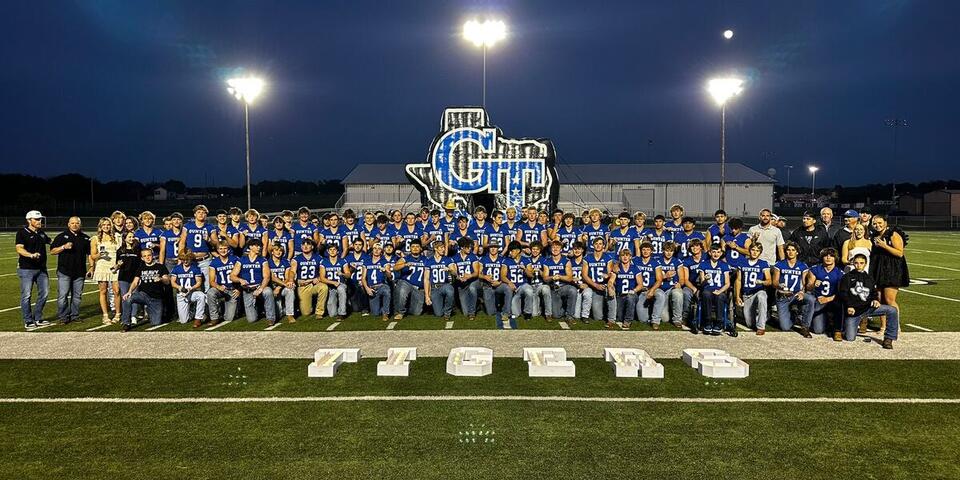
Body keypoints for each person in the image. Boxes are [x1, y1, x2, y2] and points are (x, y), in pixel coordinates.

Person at [838, 254, 899, 349]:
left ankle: (889, 338)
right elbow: (843, 294)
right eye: (856, 263)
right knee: (850, 338)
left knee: (892, 310)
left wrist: (875, 300)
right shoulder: (847, 277)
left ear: (865, 264)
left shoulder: (870, 278)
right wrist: (849, 306)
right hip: (854, 311)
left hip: (867, 309)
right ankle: (846, 327)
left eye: (861, 263)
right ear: (853, 263)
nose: (859, 265)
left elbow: (874, 293)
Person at [50, 216, 90, 325]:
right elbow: (52, 251)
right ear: (68, 224)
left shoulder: (85, 238)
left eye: (77, 223)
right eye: (72, 223)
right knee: (63, 296)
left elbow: (90, 254)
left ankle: (74, 315)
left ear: (80, 224)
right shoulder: (61, 236)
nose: (75, 225)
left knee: (77, 296)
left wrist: (92, 267)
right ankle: (63, 316)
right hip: (64, 271)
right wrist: (63, 247)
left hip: (80, 272)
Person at [120, 248, 170, 332]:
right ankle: (126, 323)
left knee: (156, 323)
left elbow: (167, 281)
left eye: (149, 255)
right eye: (145, 256)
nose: (147, 257)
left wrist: (161, 279)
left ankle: (150, 311)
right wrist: (129, 292)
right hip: (143, 295)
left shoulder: (160, 266)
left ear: (153, 255)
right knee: (127, 298)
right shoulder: (141, 268)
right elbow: (135, 282)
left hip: (156, 298)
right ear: (142, 258)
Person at [230, 239, 277, 325]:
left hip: (259, 287)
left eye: (260, 246)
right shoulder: (241, 260)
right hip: (248, 289)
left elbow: (266, 277)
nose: (259, 247)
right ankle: (258, 309)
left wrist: (261, 288)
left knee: (268, 291)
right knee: (252, 319)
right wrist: (240, 280)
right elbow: (232, 276)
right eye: (256, 245)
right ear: (250, 247)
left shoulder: (263, 260)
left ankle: (271, 317)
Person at [869, 214, 909, 311]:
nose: (877, 225)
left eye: (880, 223)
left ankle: (895, 325)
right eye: (874, 223)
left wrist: (884, 246)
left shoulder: (893, 234)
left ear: (885, 223)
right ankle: (883, 325)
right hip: (878, 269)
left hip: (892, 270)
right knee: (879, 299)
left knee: (889, 299)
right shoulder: (874, 235)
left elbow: (900, 253)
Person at [772, 242, 811, 337]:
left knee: (811, 299)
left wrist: (802, 292)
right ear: (785, 252)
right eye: (788, 250)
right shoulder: (779, 264)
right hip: (783, 296)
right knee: (785, 327)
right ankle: (793, 314)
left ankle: (805, 326)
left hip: (796, 294)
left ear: (797, 252)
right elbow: (774, 282)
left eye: (793, 250)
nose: (790, 252)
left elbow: (804, 283)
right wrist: (779, 286)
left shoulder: (803, 266)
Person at [804, 247, 843, 339]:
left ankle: (834, 325)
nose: (828, 257)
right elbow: (808, 287)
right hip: (818, 301)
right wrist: (813, 284)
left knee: (839, 304)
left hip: (832, 301)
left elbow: (841, 292)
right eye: (826, 255)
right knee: (818, 330)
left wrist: (829, 298)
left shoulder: (839, 273)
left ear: (835, 258)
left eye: (831, 256)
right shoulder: (815, 269)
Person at [697, 244, 733, 336]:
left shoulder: (724, 265)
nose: (716, 254)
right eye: (713, 252)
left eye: (718, 252)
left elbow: (727, 283)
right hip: (707, 289)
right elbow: (702, 283)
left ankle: (718, 322)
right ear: (709, 253)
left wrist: (720, 291)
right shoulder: (704, 264)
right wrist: (705, 279)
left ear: (721, 253)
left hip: (719, 290)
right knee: (706, 294)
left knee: (720, 296)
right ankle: (708, 321)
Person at [735, 243, 771, 335]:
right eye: (753, 250)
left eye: (757, 251)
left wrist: (761, 282)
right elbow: (738, 280)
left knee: (762, 296)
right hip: (747, 294)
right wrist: (737, 296)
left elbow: (769, 281)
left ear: (760, 253)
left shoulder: (763, 264)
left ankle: (761, 327)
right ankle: (765, 315)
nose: (755, 252)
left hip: (758, 291)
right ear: (749, 250)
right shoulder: (742, 262)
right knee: (750, 324)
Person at [90, 217, 121, 325]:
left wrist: (119, 264)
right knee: (103, 291)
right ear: (100, 227)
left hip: (114, 267)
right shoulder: (95, 238)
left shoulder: (117, 236)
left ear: (111, 225)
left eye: (108, 225)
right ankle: (105, 315)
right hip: (102, 266)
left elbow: (121, 252)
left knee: (117, 291)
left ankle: (118, 314)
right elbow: (93, 255)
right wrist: (100, 255)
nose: (106, 227)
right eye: (104, 225)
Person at [181, 205, 216, 290]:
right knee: (191, 282)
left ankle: (207, 302)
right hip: (191, 259)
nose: (201, 214)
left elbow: (216, 244)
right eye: (199, 212)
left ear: (206, 215)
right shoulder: (187, 226)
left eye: (203, 213)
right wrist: (181, 256)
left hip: (205, 260)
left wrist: (209, 240)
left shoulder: (210, 227)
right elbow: (182, 242)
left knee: (207, 283)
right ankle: (192, 301)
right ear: (195, 214)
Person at [291, 238, 328, 320]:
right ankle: (313, 304)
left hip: (315, 284)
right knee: (306, 313)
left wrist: (319, 278)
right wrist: (291, 280)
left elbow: (325, 271)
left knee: (324, 287)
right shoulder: (296, 259)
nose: (305, 246)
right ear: (301, 247)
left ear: (312, 247)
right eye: (303, 244)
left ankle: (319, 312)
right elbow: (292, 272)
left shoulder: (318, 258)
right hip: (303, 286)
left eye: (308, 244)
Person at [583, 237, 616, 324]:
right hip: (594, 286)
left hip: (604, 286)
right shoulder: (587, 258)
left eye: (600, 244)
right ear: (593, 245)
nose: (598, 245)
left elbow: (610, 273)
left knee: (611, 289)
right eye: (596, 244)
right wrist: (595, 285)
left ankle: (611, 319)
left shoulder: (608, 258)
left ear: (604, 246)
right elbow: (584, 275)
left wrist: (607, 276)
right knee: (598, 317)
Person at [170, 251, 206, 327]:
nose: (185, 261)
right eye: (183, 259)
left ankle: (198, 318)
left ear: (191, 259)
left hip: (192, 292)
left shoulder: (195, 268)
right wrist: (180, 288)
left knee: (201, 296)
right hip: (181, 294)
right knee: (183, 321)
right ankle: (193, 310)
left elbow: (199, 282)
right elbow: (172, 282)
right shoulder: (176, 268)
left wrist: (191, 288)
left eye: (187, 259)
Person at [543, 240, 577, 323]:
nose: (555, 249)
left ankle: (569, 315)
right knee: (556, 315)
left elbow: (569, 278)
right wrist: (552, 278)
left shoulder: (566, 261)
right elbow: (545, 278)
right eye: (553, 247)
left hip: (563, 287)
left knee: (572, 290)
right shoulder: (547, 261)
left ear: (561, 249)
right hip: (553, 288)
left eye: (557, 247)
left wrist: (560, 277)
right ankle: (563, 306)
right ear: (550, 249)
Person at [206, 242, 239, 327]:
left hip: (233, 290)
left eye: (225, 248)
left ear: (228, 249)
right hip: (221, 289)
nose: (223, 250)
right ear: (217, 250)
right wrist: (218, 286)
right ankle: (214, 317)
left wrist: (239, 289)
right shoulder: (214, 262)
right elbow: (211, 281)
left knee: (229, 318)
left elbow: (242, 275)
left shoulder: (235, 259)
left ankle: (222, 306)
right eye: (220, 249)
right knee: (210, 292)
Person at [392, 240, 427, 320]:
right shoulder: (406, 258)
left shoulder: (425, 259)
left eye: (417, 246)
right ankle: (400, 312)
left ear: (421, 248)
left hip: (418, 288)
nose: (415, 248)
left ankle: (406, 306)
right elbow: (395, 267)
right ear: (410, 248)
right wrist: (404, 265)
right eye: (413, 247)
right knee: (402, 288)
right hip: (407, 283)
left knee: (416, 312)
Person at [633, 242, 664, 328]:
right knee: (643, 319)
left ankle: (655, 320)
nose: (646, 251)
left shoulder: (655, 262)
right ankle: (649, 312)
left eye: (648, 249)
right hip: (641, 291)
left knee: (661, 295)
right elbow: (622, 262)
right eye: (643, 249)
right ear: (641, 250)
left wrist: (652, 290)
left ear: (651, 251)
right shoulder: (635, 260)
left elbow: (659, 280)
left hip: (652, 288)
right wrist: (616, 265)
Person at [501, 241, 534, 324]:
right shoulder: (506, 261)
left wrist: (525, 269)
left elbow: (531, 275)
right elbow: (502, 276)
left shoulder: (526, 260)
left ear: (518, 251)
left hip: (522, 286)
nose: (510, 253)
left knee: (529, 290)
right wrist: (509, 283)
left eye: (512, 251)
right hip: (512, 288)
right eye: (509, 251)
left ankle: (527, 313)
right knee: (516, 314)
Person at [610, 249, 642, 329]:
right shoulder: (617, 268)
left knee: (630, 297)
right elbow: (611, 281)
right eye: (623, 255)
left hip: (631, 294)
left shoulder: (635, 268)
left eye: (627, 255)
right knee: (619, 318)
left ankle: (628, 321)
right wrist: (610, 287)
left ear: (630, 257)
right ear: (620, 257)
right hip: (620, 295)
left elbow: (640, 284)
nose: (625, 257)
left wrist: (634, 290)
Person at [424, 241, 457, 320]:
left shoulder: (447, 259)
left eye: (444, 247)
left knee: (450, 290)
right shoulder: (429, 261)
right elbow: (426, 279)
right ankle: (447, 307)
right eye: (441, 247)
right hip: (434, 288)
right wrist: (427, 296)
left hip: (445, 285)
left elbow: (455, 273)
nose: (443, 249)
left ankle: (447, 312)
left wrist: (449, 270)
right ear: (435, 249)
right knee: (438, 314)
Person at [114, 232, 142, 323]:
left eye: (133, 237)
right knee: (125, 297)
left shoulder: (137, 249)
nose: (132, 238)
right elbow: (116, 265)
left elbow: (140, 264)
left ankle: (134, 315)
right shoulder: (120, 250)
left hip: (134, 277)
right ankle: (126, 316)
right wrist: (118, 265)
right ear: (124, 238)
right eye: (129, 237)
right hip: (123, 277)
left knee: (134, 296)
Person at [655, 241, 684, 328]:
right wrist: (664, 276)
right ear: (663, 250)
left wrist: (679, 284)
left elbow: (682, 279)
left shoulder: (677, 262)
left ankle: (677, 319)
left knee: (678, 293)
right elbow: (655, 278)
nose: (669, 253)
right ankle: (668, 310)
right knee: (665, 319)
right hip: (660, 288)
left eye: (671, 251)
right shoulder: (657, 260)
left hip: (671, 288)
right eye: (667, 251)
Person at [478, 242, 511, 319]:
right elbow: (478, 274)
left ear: (498, 248)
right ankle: (485, 303)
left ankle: (506, 312)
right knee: (491, 313)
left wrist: (499, 282)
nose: (493, 249)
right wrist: (485, 276)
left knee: (508, 288)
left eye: (495, 247)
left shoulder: (503, 259)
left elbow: (506, 275)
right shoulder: (483, 259)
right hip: (487, 286)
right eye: (491, 247)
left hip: (499, 284)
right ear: (488, 248)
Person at [360, 242, 392, 321]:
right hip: (372, 288)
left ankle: (386, 313)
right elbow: (363, 278)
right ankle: (388, 308)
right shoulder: (367, 261)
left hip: (381, 286)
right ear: (372, 250)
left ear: (381, 251)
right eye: (375, 248)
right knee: (375, 313)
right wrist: (367, 288)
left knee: (386, 290)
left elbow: (390, 276)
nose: (376, 250)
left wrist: (385, 271)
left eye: (379, 249)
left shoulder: (384, 261)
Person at [679, 239, 706, 329]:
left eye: (697, 246)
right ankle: (685, 318)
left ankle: (705, 319)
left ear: (701, 247)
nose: (695, 248)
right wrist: (694, 289)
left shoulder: (707, 257)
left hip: (705, 285)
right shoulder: (687, 261)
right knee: (686, 292)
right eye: (692, 246)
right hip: (691, 285)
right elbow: (686, 279)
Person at [451, 237, 480, 321]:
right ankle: (476, 304)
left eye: (471, 246)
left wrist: (469, 276)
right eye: (468, 247)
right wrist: (458, 277)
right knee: (465, 312)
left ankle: (472, 312)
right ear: (462, 247)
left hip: (473, 281)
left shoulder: (473, 257)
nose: (470, 248)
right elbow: (454, 271)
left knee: (472, 288)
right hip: (461, 283)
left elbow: (476, 272)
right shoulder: (455, 258)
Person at [268, 243, 297, 324]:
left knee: (290, 289)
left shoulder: (285, 262)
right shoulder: (267, 262)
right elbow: (272, 277)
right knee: (279, 314)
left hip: (282, 287)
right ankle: (283, 309)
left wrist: (279, 287)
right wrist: (278, 287)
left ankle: (290, 314)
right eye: (276, 250)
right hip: (272, 288)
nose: (278, 252)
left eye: (280, 250)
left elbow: (287, 277)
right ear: (272, 252)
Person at [319, 243, 350, 319]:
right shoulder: (324, 262)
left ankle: (342, 313)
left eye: (334, 249)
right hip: (331, 287)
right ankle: (345, 305)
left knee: (341, 289)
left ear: (338, 251)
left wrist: (342, 274)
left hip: (341, 284)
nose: (332, 251)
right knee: (332, 314)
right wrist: (333, 283)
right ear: (328, 251)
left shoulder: (343, 261)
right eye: (330, 250)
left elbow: (348, 275)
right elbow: (322, 278)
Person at [524, 241, 551, 320]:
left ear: (540, 250)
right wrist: (531, 271)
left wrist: (540, 271)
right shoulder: (527, 260)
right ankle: (539, 306)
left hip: (540, 284)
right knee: (535, 314)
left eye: (537, 249)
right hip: (530, 286)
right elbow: (526, 274)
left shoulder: (544, 260)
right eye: (533, 249)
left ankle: (548, 313)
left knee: (546, 289)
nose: (535, 251)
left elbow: (546, 276)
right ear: (530, 250)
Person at [567, 241, 592, 323]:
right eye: (575, 249)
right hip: (574, 287)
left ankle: (585, 315)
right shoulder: (569, 262)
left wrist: (586, 284)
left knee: (588, 293)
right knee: (576, 315)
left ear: (583, 250)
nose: (577, 251)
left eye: (579, 249)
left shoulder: (586, 261)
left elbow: (590, 276)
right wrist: (573, 281)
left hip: (585, 286)